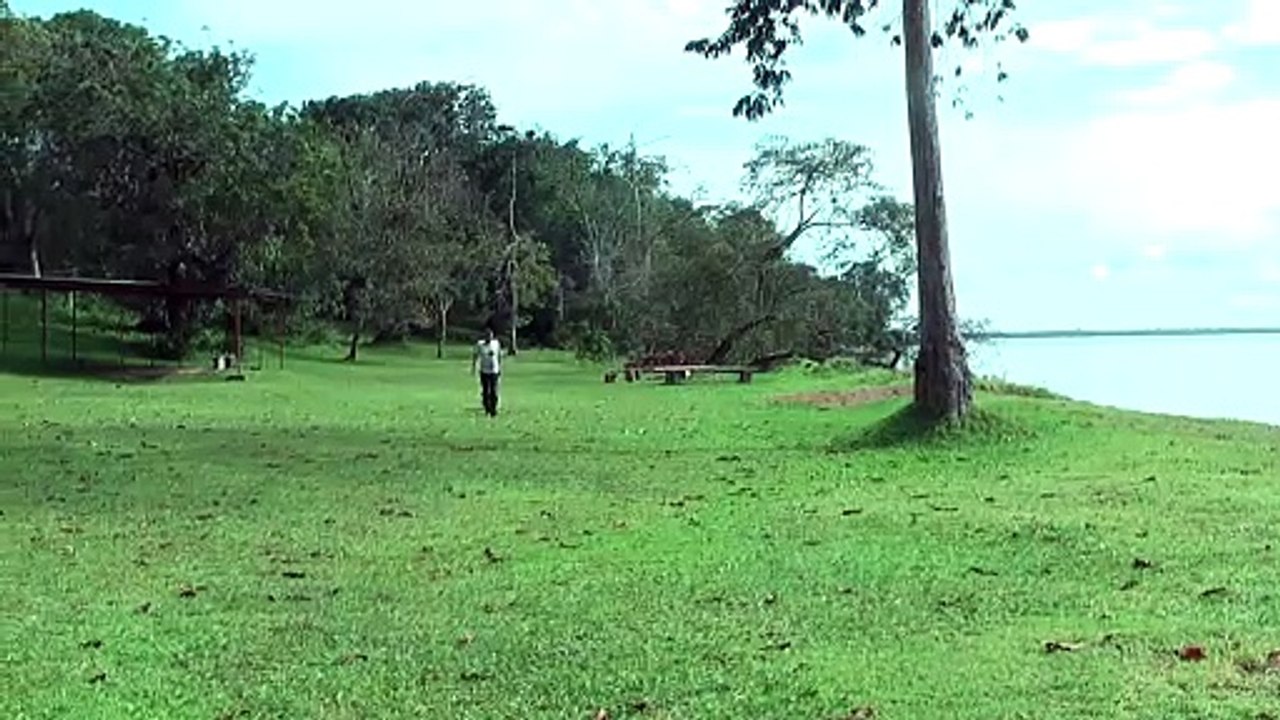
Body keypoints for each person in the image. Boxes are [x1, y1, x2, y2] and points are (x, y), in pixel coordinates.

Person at [471, 328, 503, 417]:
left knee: (494, 390)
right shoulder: (480, 345)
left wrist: (500, 367)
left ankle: (494, 409)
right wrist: (474, 367)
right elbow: (475, 356)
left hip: (494, 371)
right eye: (487, 336)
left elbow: (499, 356)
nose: (489, 338)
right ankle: (487, 408)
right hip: (484, 371)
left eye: (490, 336)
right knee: (485, 391)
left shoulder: (496, 344)